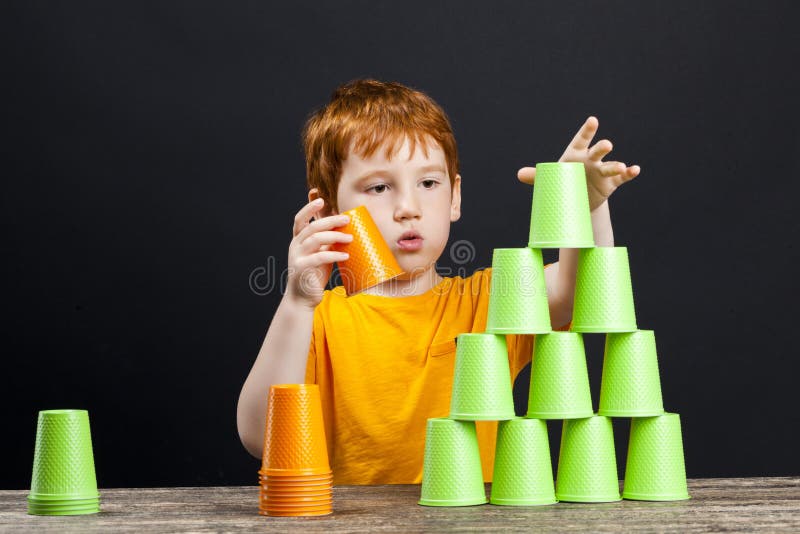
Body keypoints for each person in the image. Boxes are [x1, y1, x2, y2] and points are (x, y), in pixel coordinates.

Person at [237, 79, 640, 484]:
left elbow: (583, 294)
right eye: (379, 187)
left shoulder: (488, 301)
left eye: (428, 183)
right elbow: (260, 436)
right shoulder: (315, 321)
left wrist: (583, 206)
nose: (408, 208)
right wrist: (296, 303)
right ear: (325, 211)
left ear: (454, 197)